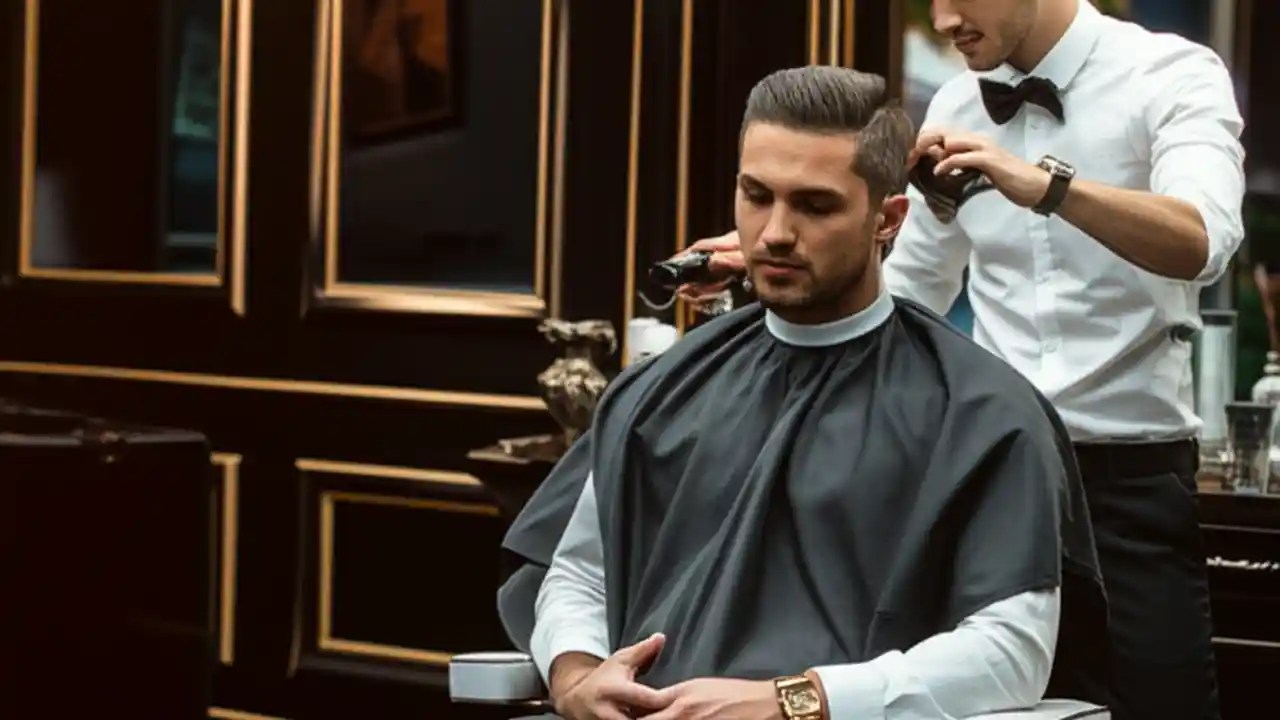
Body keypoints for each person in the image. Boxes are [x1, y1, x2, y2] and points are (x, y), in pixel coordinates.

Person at [676, 2, 1244, 718]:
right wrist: (773, 265)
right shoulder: (952, 103)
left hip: (1124, 484)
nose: (943, 20)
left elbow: (1204, 239)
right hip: (984, 477)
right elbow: (912, 287)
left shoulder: (1169, 74)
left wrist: (1044, 186)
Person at [497, 66, 1108, 720]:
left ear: (888, 219)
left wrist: (795, 702)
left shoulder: (982, 411)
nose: (774, 232)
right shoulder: (659, 388)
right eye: (756, 195)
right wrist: (576, 674)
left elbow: (1011, 652)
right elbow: (579, 574)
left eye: (815, 205)